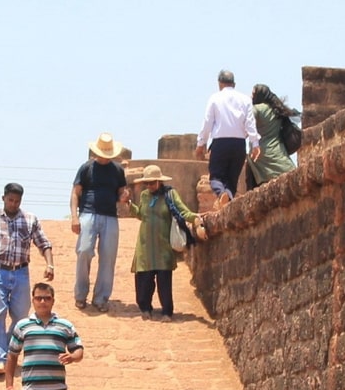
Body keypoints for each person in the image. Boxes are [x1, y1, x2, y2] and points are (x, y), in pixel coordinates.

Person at [0, 183, 55, 377]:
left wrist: (50, 264)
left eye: (17, 201)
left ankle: (5, 350)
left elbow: (44, 243)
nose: (13, 204)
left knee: (21, 316)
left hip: (21, 272)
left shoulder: (30, 220)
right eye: (10, 200)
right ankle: (0, 358)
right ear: (3, 198)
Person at [127, 165, 198, 321]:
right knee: (144, 280)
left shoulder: (170, 194)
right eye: (147, 183)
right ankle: (145, 308)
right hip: (145, 246)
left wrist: (196, 218)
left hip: (162, 246)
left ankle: (167, 311)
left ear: (159, 181)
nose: (149, 186)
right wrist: (129, 205)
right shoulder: (145, 196)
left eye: (152, 183)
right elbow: (140, 214)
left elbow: (183, 211)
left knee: (164, 281)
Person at [71, 133, 130, 312]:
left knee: (108, 257)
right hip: (88, 213)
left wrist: (123, 197)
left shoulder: (118, 170)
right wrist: (74, 217)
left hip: (110, 216)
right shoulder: (86, 168)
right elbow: (75, 193)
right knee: (84, 251)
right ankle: (80, 295)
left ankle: (101, 298)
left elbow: (121, 192)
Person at [194, 70, 260, 206]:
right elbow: (250, 123)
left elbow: (207, 123)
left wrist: (201, 144)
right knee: (232, 180)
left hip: (220, 143)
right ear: (234, 84)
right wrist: (255, 144)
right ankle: (227, 200)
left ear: (219, 84)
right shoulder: (245, 99)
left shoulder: (214, 98)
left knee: (216, 178)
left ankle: (221, 194)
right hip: (239, 144)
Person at [246, 84, 298, 191]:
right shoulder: (277, 110)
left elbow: (248, 126)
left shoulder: (256, 109)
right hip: (278, 152)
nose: (251, 97)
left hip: (260, 154)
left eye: (253, 94)